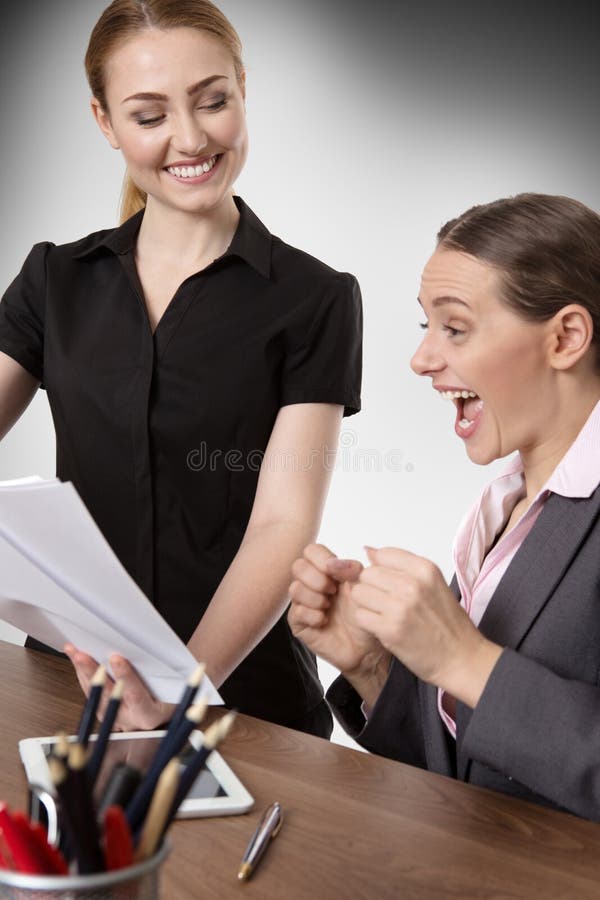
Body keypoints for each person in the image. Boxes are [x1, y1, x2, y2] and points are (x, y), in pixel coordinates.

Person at [0, 0, 362, 738]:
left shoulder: (315, 298)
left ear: (242, 92)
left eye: (212, 102)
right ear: (104, 123)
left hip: (240, 701)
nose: (190, 138)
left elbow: (284, 522)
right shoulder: (53, 279)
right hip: (67, 683)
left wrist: (178, 690)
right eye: (149, 114)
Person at [288, 192, 600, 819]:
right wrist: (377, 667)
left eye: (454, 327)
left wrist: (465, 659)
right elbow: (472, 771)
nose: (422, 359)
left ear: (566, 336)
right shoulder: (506, 505)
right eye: (426, 327)